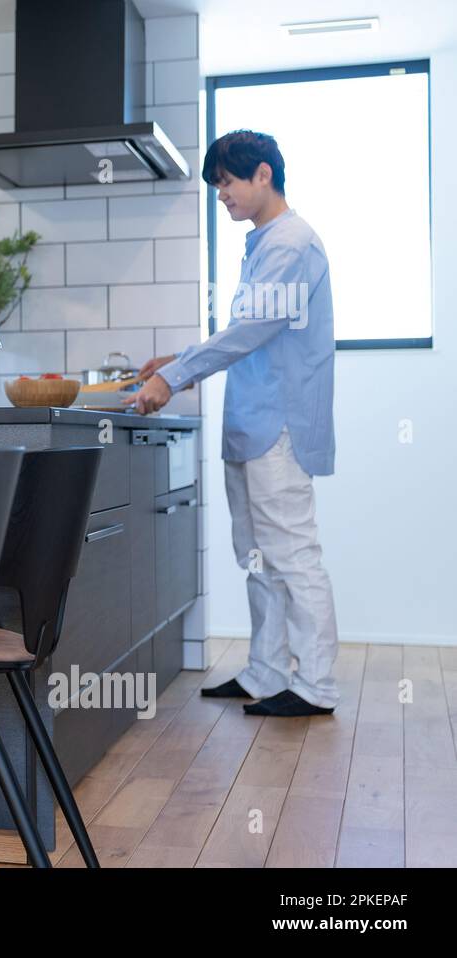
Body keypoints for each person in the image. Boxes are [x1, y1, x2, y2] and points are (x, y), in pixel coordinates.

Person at [129, 130, 339, 717]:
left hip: (280, 425)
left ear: (264, 174)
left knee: (292, 554)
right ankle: (267, 673)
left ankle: (316, 686)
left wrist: (174, 377)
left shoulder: (292, 243)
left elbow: (251, 332)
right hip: (253, 424)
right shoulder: (263, 243)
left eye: (227, 183)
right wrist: (177, 363)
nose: (221, 195)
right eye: (217, 186)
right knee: (257, 557)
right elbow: (250, 333)